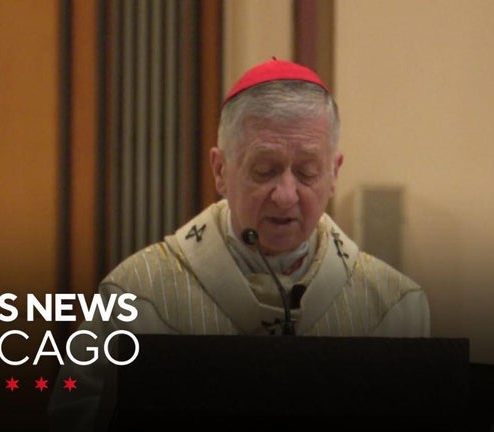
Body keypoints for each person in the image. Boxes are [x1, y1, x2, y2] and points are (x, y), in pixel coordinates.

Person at [48, 58, 430, 430]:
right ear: (220, 171)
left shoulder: (392, 306)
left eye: (307, 172)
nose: (285, 195)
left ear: (334, 174)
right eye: (264, 171)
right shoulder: (138, 295)